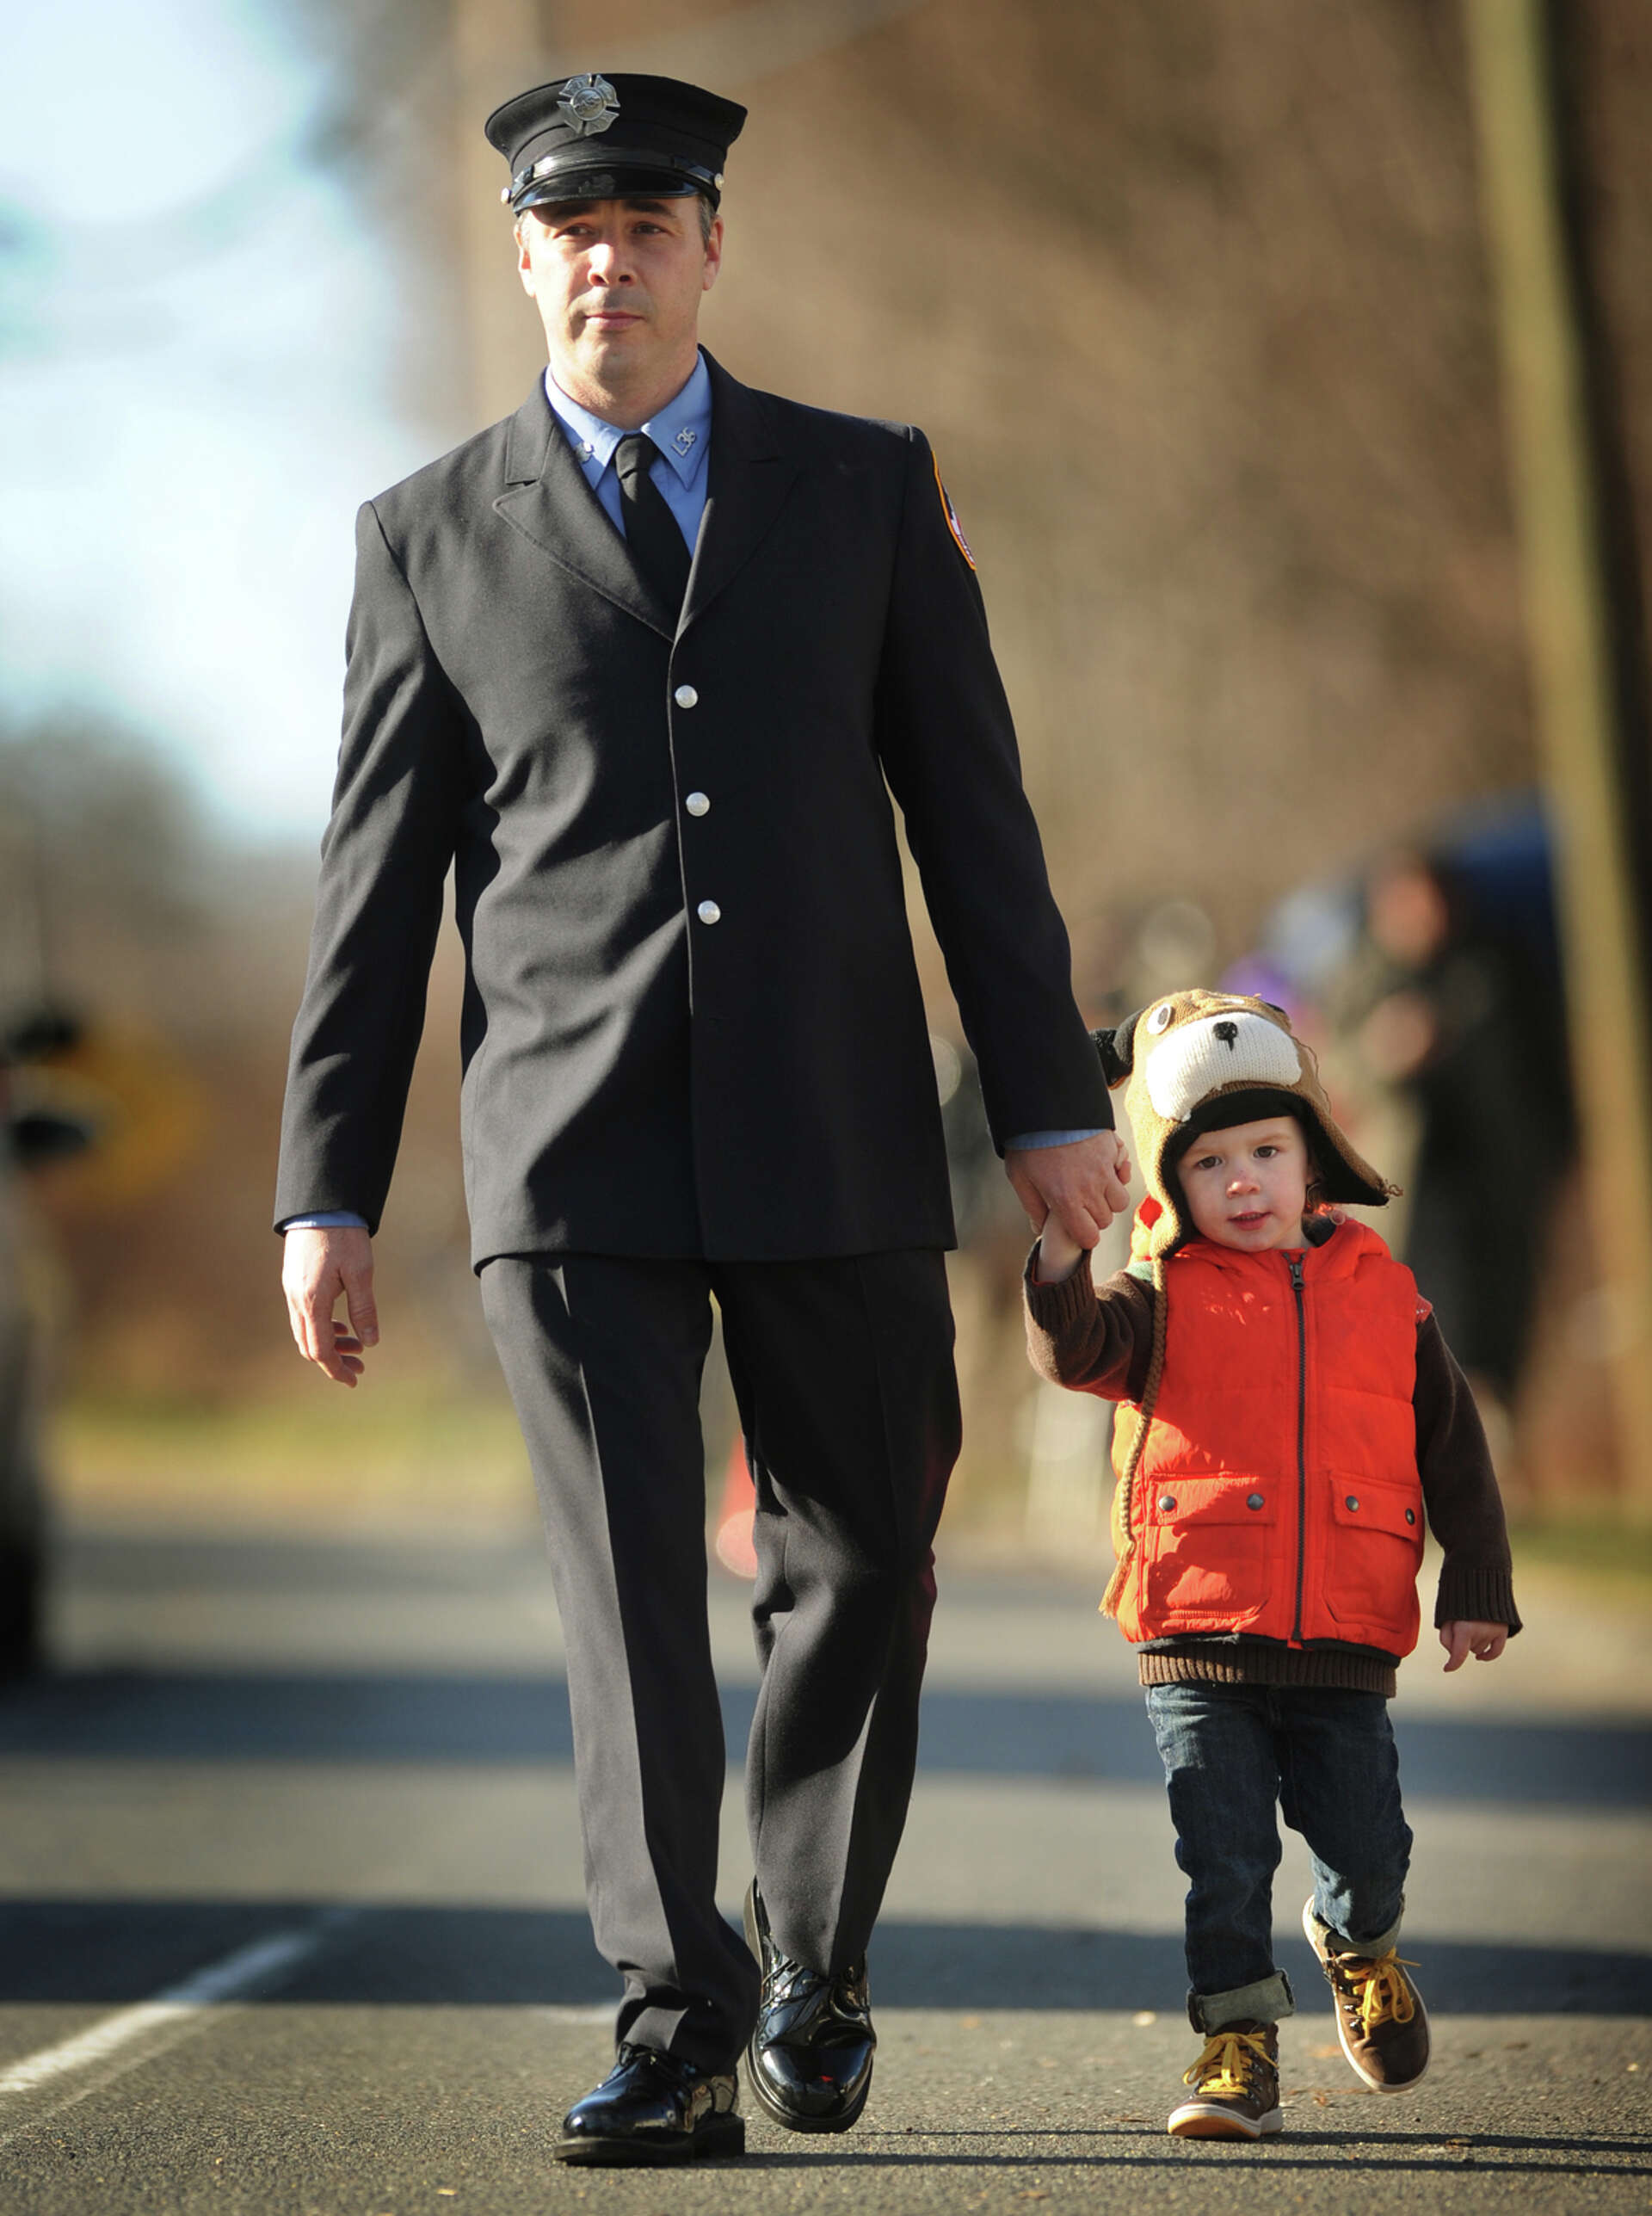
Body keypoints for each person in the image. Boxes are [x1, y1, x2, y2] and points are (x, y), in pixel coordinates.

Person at [274, 72, 1130, 2167]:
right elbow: (373, 898)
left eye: (652, 224)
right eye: (574, 228)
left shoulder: (864, 490)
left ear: (711, 250)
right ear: (523, 256)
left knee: (866, 1554)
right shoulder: (426, 535)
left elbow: (977, 826)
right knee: (632, 1595)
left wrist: (1047, 1103)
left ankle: (813, 1960)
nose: (612, 260)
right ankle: (673, 2011)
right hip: (563, 1158)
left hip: (837, 1126)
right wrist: (326, 1188)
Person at [1022, 988, 1518, 2140]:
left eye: (1267, 1153)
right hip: (1197, 1640)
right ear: (1173, 1187)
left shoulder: (1387, 1298)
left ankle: (1359, 1941)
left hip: (1347, 1635)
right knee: (1225, 1860)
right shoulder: (1156, 1300)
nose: (1243, 1182)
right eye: (1211, 1165)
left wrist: (1477, 1585)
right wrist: (1062, 1253)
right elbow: (1075, 1349)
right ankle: (1235, 2046)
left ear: (1316, 1161)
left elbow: (1453, 1448)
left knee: (1369, 1845)